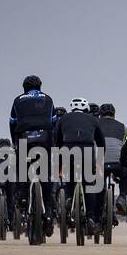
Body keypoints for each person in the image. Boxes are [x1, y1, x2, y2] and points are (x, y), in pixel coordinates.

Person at [9, 75, 58, 231]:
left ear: (24, 87)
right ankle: (49, 213)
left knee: (22, 169)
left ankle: (23, 197)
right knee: (46, 178)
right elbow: (54, 122)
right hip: (45, 138)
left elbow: (12, 123)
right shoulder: (49, 99)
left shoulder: (18, 100)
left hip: (24, 138)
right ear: (40, 87)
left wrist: (15, 142)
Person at [53, 98, 104, 234]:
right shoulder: (93, 120)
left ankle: (69, 199)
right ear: (86, 109)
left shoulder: (63, 119)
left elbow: (57, 142)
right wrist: (98, 162)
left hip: (68, 150)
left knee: (69, 179)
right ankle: (91, 218)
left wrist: (59, 163)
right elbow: (101, 143)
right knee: (89, 185)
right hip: (87, 151)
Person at [96, 103, 127, 218]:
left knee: (98, 186)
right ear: (114, 115)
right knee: (125, 177)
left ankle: (97, 214)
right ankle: (122, 197)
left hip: (100, 163)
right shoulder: (122, 126)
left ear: (100, 115)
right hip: (117, 163)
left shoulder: (95, 125)